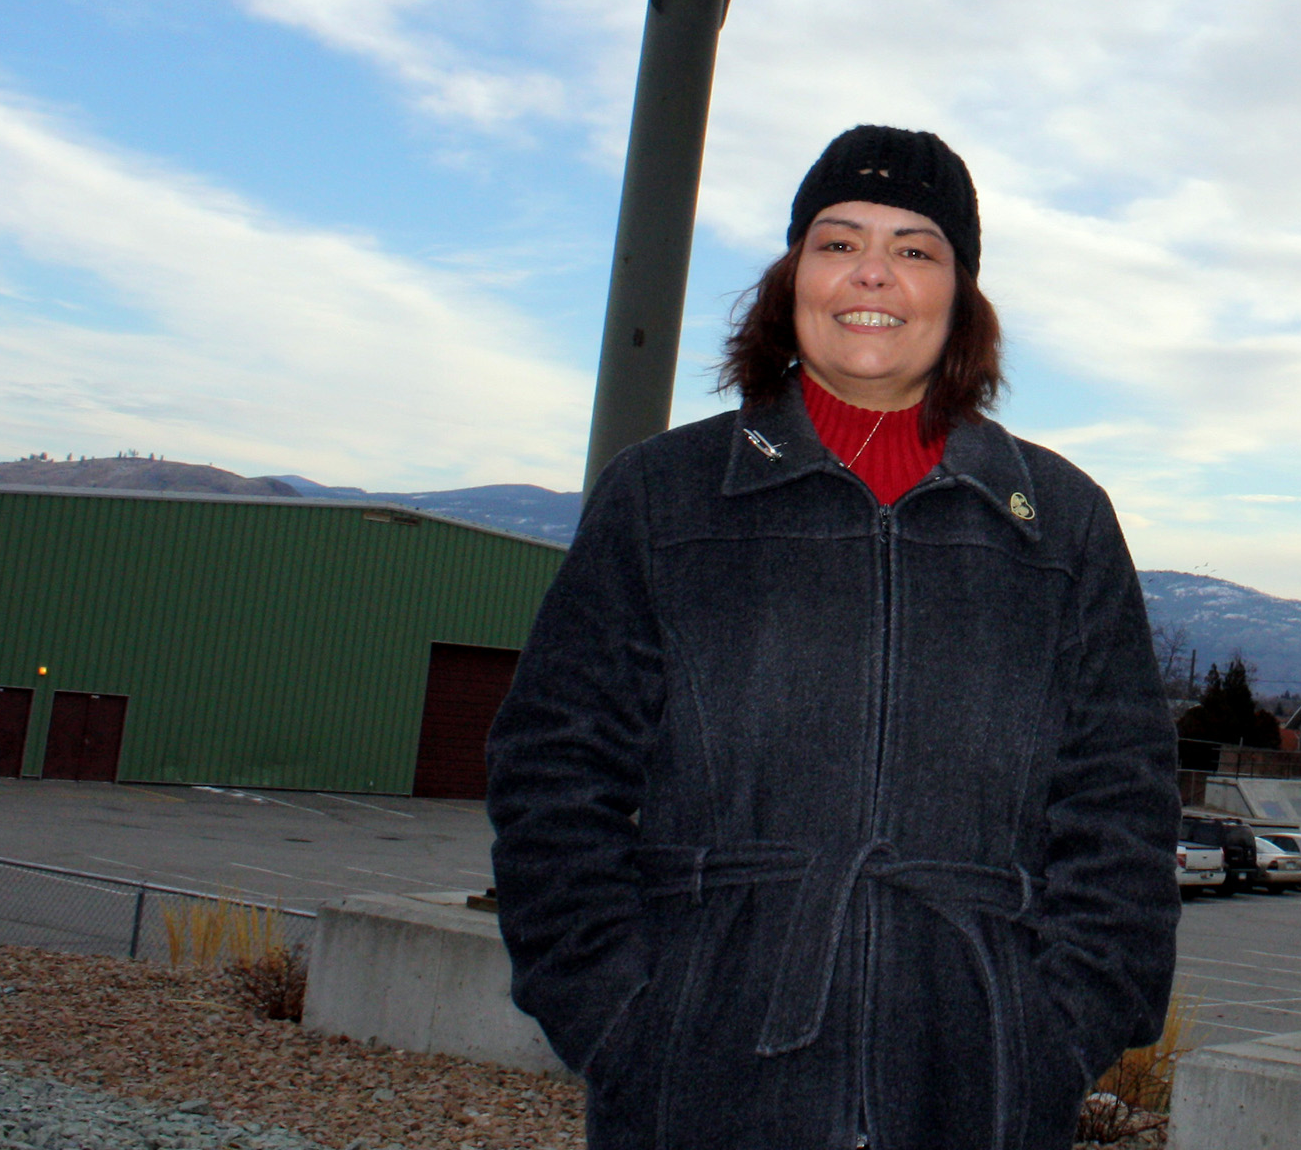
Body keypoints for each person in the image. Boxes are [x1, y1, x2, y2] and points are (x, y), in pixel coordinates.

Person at [487, 125, 1179, 1150]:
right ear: (792, 276)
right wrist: (622, 1020)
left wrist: (1054, 1033)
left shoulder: (1061, 521)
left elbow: (1122, 803)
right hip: (699, 1079)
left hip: (976, 1082)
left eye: (915, 248)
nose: (872, 272)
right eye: (838, 240)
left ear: (961, 293)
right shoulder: (663, 496)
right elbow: (553, 771)